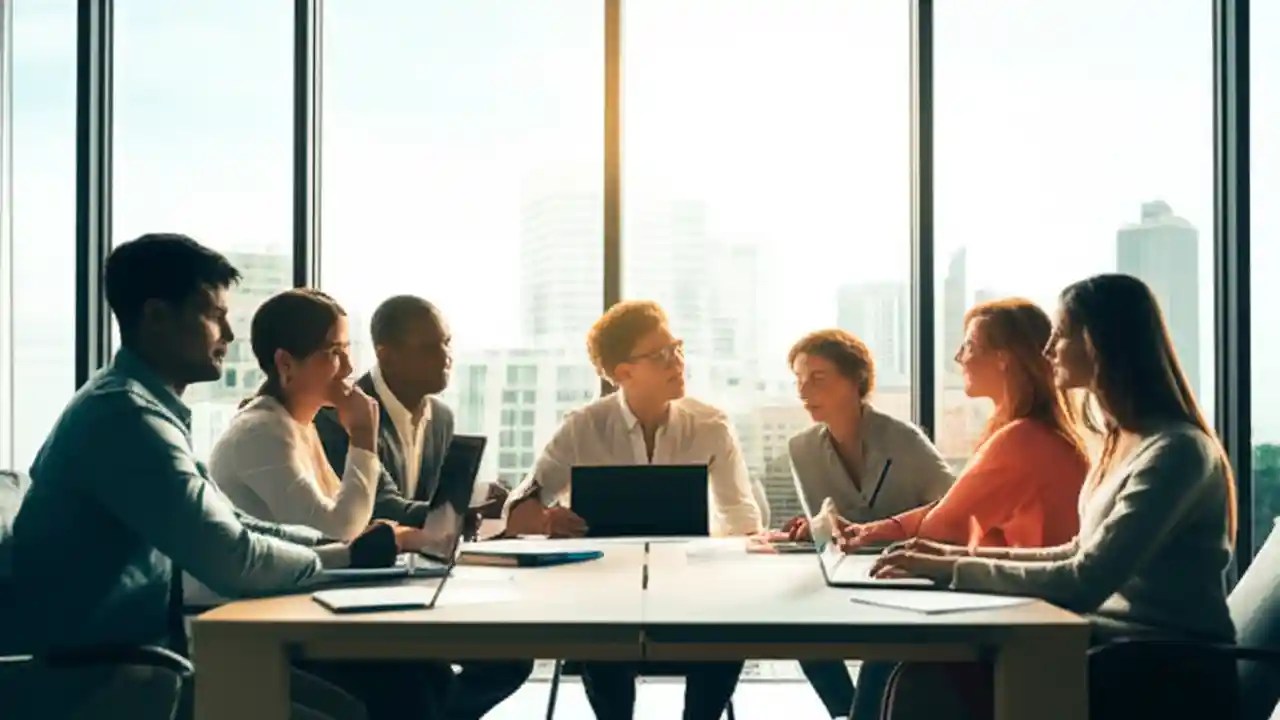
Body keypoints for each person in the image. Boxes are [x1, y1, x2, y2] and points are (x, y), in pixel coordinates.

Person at [3, 234, 396, 720]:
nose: (228, 334)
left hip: (153, 658)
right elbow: (231, 556)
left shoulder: (147, 410)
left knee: (354, 708)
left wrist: (338, 552)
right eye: (214, 315)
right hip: (101, 679)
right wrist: (344, 559)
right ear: (156, 317)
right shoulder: (124, 419)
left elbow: (234, 522)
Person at [869, 274, 1237, 720]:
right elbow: (1077, 550)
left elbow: (1085, 580)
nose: (1047, 351)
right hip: (1103, 648)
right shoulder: (1120, 445)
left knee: (926, 682)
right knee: (921, 673)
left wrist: (953, 568)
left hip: (1158, 672)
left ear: (1098, 342)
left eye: (1061, 335)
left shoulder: (1176, 452)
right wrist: (946, 560)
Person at [504, 299, 762, 720]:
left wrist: (727, 548)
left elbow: (743, 519)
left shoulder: (711, 426)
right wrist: (545, 520)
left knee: (725, 630)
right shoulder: (582, 428)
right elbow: (520, 507)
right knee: (602, 630)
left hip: (692, 591)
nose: (678, 361)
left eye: (677, 347)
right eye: (661, 355)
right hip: (605, 594)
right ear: (622, 373)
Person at [838, 298, 1089, 719]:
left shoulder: (1021, 440)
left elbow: (943, 527)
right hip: (1031, 604)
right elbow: (954, 506)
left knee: (888, 653)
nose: (959, 358)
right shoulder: (1035, 431)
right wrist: (878, 530)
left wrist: (890, 535)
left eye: (970, 346)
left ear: (1005, 359)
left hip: (1027, 617)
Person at [312, 295, 532, 719]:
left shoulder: (442, 417)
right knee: (425, 687)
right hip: (358, 585)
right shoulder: (341, 415)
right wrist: (464, 510)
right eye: (431, 347)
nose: (447, 356)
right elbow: (384, 505)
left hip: (419, 580)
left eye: (447, 343)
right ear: (385, 354)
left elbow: (431, 508)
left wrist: (475, 504)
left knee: (513, 658)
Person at [771, 328, 955, 717]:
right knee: (795, 622)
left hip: (905, 576)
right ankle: (848, 712)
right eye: (799, 381)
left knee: (883, 643)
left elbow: (955, 505)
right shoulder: (801, 448)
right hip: (846, 572)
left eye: (817, 378)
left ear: (856, 380)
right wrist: (814, 526)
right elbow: (829, 520)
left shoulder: (903, 439)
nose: (804, 391)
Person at [211, 289, 383, 542]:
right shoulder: (260, 432)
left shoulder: (296, 424)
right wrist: (363, 436)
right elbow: (336, 532)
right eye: (335, 352)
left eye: (347, 349)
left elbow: (343, 520)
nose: (348, 367)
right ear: (286, 363)